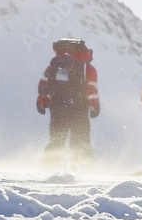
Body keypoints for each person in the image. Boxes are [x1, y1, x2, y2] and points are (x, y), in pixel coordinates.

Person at [37, 38, 99, 166]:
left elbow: (44, 86)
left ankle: (49, 166)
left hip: (58, 106)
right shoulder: (87, 68)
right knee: (79, 139)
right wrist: (94, 105)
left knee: (57, 138)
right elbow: (91, 88)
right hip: (79, 107)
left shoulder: (54, 65)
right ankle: (82, 167)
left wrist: (42, 101)